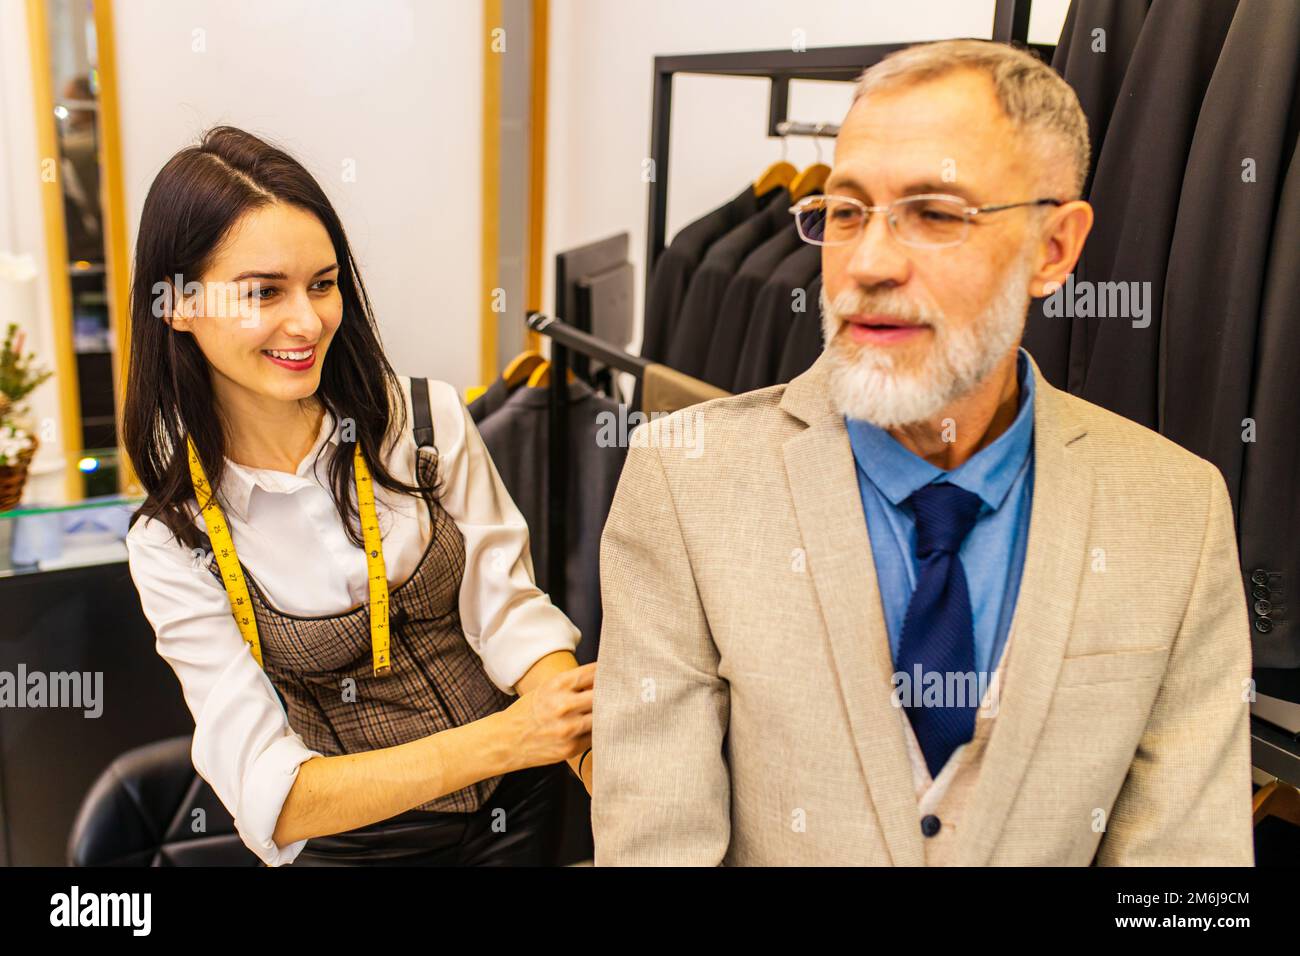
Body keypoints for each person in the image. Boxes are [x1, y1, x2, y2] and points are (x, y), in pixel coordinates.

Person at [592, 40, 1254, 865]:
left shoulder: (1177, 509)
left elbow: (1188, 869)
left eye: (936, 214)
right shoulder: (684, 482)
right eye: (844, 211)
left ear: (1054, 248)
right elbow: (657, 846)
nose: (867, 263)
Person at [123, 126, 594, 867]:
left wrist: (586, 746)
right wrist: (509, 736)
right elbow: (275, 799)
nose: (308, 322)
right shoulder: (174, 543)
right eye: (263, 292)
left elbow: (508, 613)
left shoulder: (427, 424)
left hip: (525, 807)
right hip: (363, 849)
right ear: (177, 305)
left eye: (322, 282)